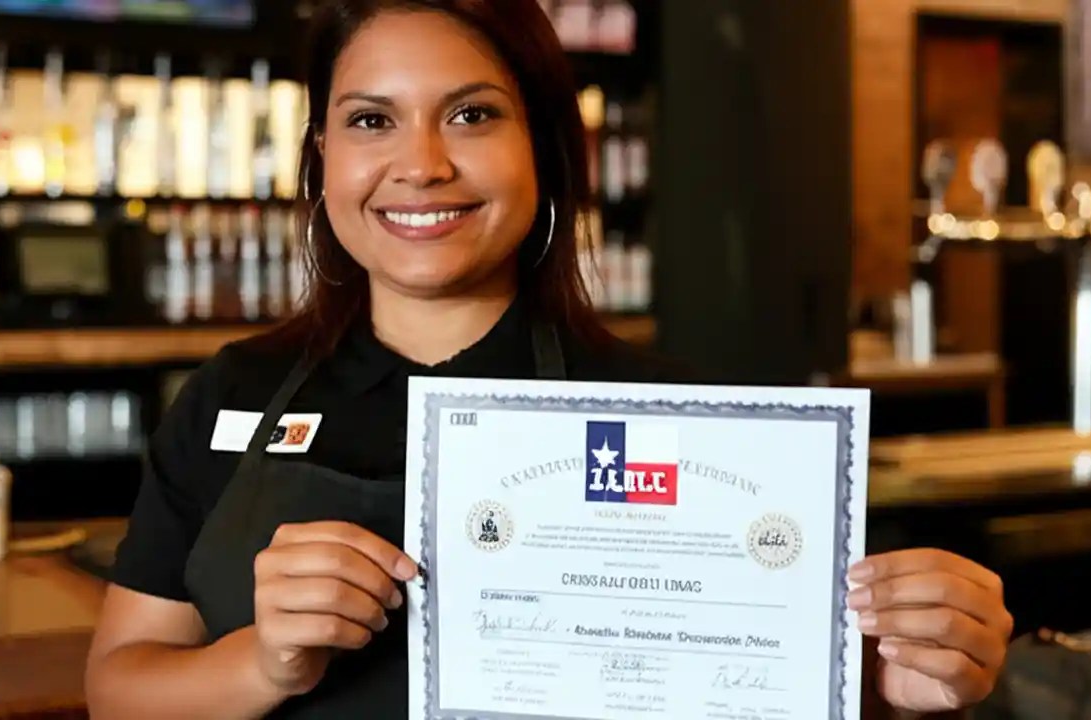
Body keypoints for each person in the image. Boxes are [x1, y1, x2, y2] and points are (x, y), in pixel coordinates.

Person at [84, 1, 1014, 718]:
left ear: (547, 149)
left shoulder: (684, 423)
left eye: (472, 115)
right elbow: (117, 690)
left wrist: (896, 688)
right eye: (371, 121)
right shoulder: (230, 396)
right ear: (322, 156)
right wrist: (262, 661)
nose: (420, 165)